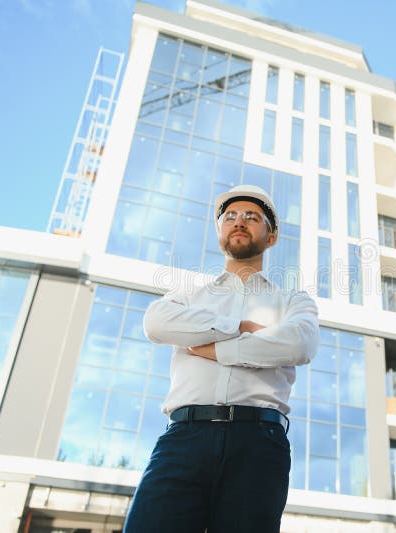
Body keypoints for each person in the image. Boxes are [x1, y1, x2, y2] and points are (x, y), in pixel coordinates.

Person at [123, 184, 319, 533]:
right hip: (184, 437)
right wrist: (238, 326)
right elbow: (156, 323)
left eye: (251, 217)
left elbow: (299, 344)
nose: (239, 221)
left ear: (270, 238)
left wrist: (214, 348)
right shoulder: (189, 292)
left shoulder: (293, 300)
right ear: (220, 231)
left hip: (259, 443)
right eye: (230, 217)